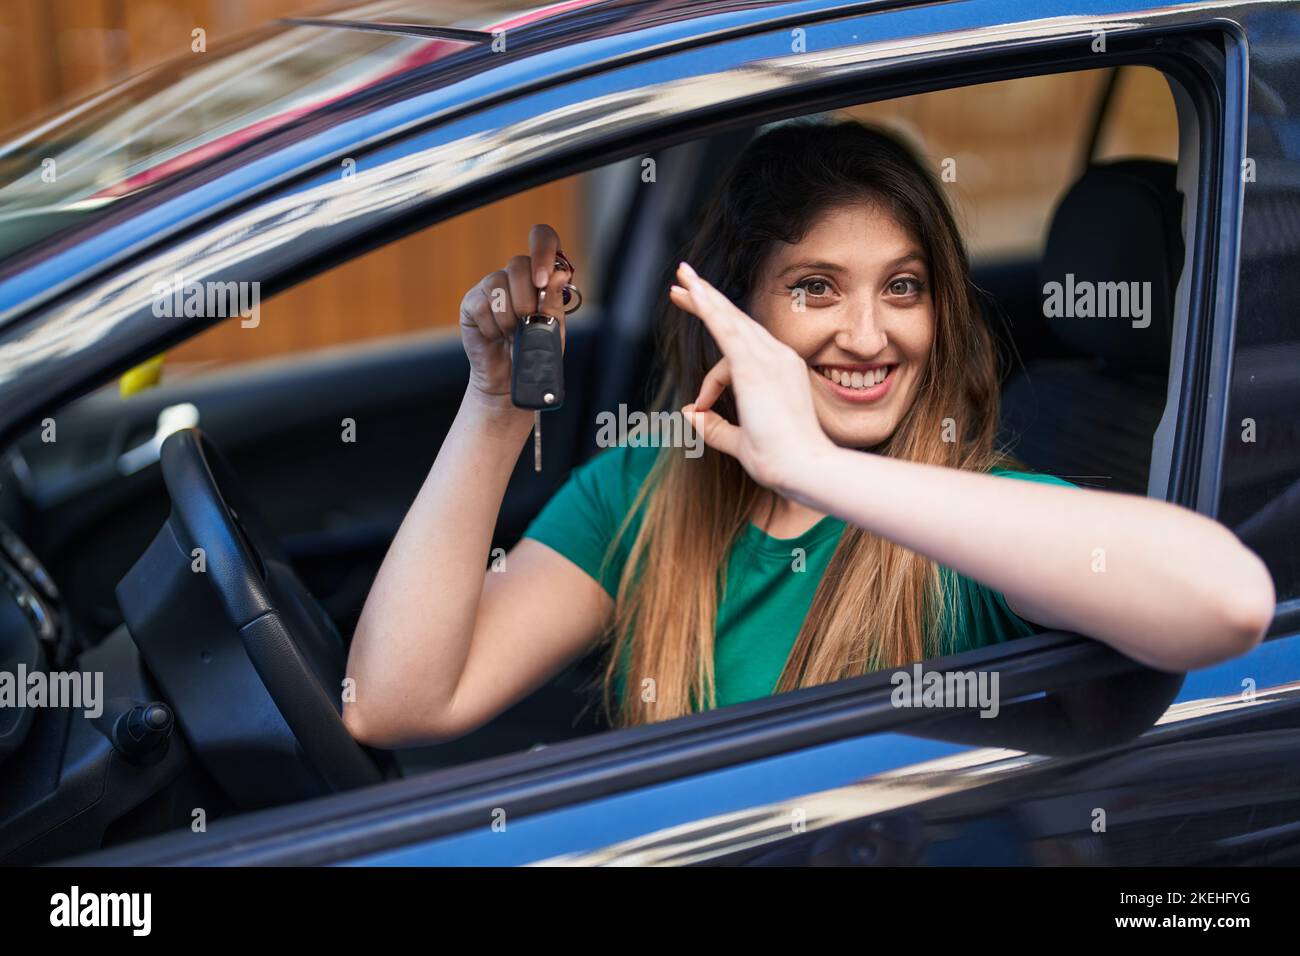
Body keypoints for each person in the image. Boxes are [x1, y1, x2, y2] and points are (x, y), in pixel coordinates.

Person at [343, 119, 1275, 745]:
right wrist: (497, 406)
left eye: (902, 288)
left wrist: (817, 469)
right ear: (734, 310)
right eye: (815, 288)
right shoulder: (648, 485)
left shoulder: (968, 529)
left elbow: (1227, 599)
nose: (869, 337)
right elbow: (396, 703)